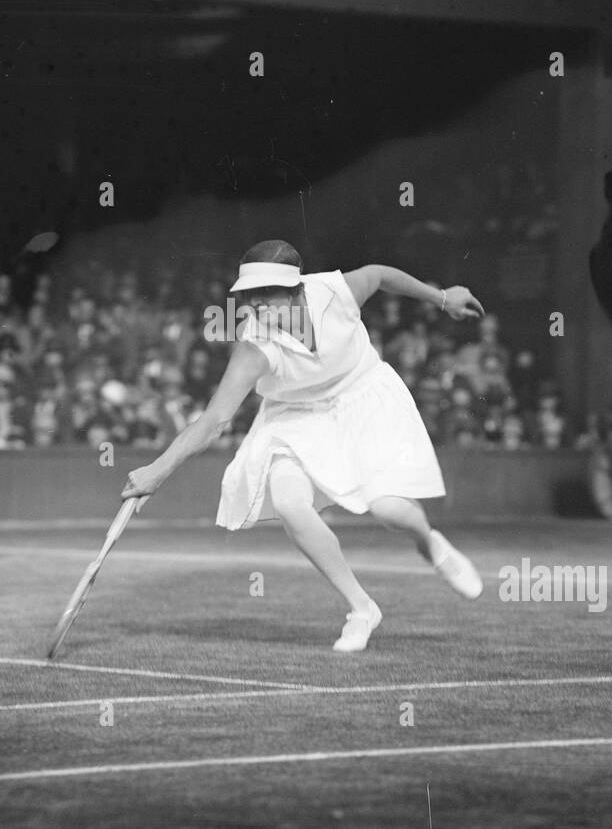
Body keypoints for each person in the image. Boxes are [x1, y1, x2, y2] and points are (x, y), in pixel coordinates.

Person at [122, 240, 486, 653]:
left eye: (267, 295)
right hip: (295, 417)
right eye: (250, 297)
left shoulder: (336, 291)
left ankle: (431, 544)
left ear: (296, 290)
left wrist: (441, 298)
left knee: (389, 508)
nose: (257, 306)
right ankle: (361, 608)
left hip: (362, 396)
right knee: (290, 502)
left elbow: (380, 274)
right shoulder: (254, 347)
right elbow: (212, 421)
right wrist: (159, 469)